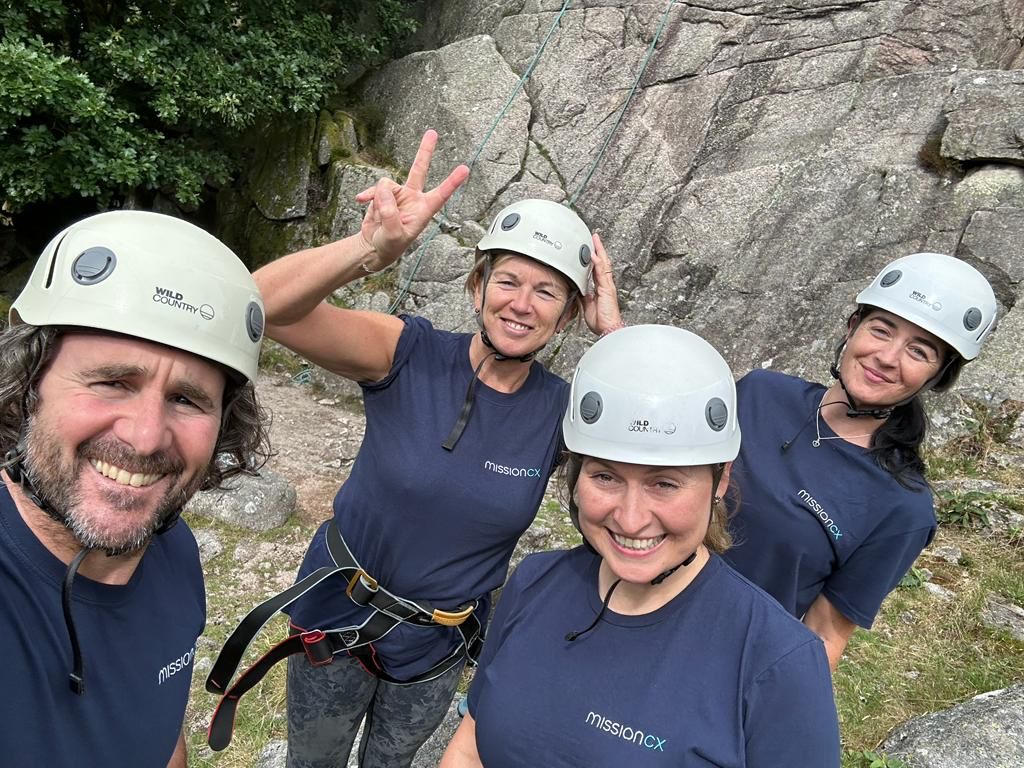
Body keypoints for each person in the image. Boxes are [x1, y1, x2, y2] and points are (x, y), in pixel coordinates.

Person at [211, 129, 623, 767]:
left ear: (568, 315)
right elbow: (261, 307)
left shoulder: (561, 412)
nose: (521, 304)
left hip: (437, 645)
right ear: (477, 285)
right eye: (508, 281)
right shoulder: (407, 352)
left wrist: (616, 339)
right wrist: (366, 249)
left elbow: (650, 459)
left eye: (547, 292)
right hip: (336, 611)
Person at [441, 324, 840, 767]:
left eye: (664, 483)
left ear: (720, 480)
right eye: (605, 476)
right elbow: (470, 744)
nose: (631, 519)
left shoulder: (778, 661)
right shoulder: (535, 581)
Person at [0, 210, 270, 766]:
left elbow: (158, 730)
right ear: (28, 385)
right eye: (113, 382)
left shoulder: (173, 552)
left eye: (187, 399)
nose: (146, 438)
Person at [723, 252, 999, 670]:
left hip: (724, 661)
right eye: (881, 330)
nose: (888, 357)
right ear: (852, 328)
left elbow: (824, 633)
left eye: (919, 351)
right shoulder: (759, 394)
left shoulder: (901, 507)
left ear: (936, 377)